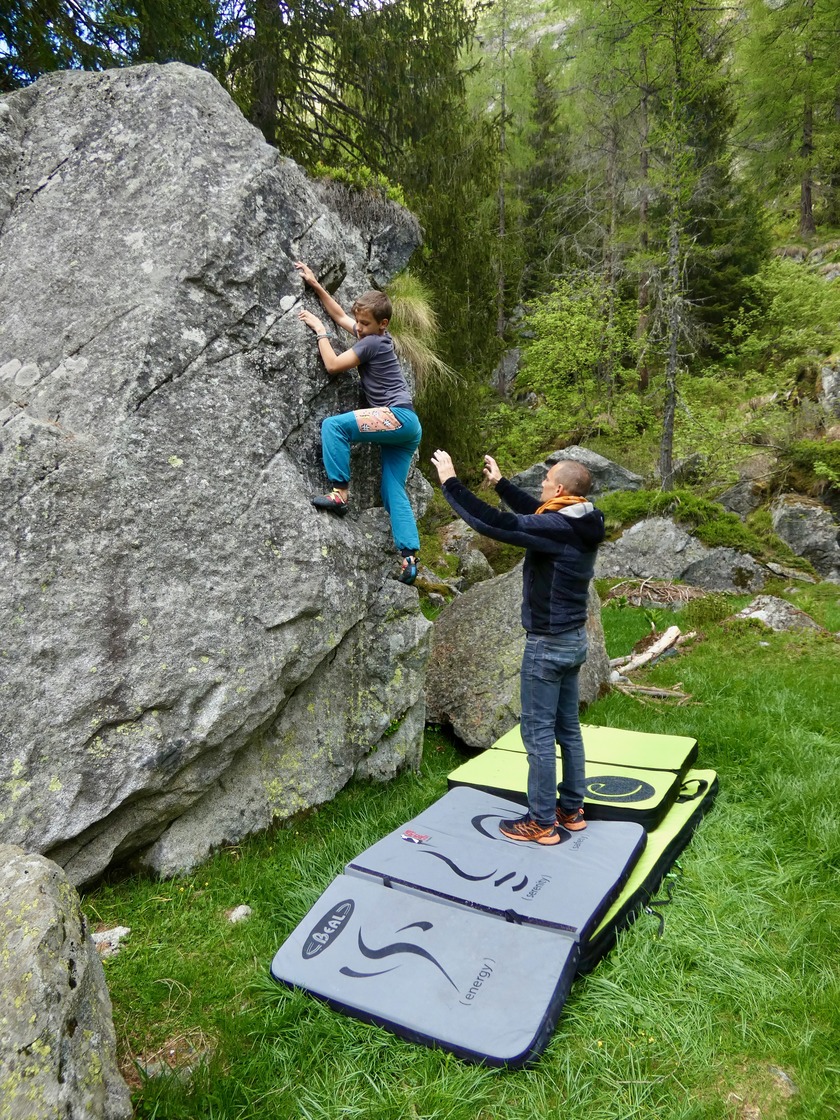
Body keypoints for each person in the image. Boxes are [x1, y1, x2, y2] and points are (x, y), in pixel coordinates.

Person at [430, 449, 605, 846]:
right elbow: (541, 516)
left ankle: (542, 822)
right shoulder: (584, 517)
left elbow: (496, 524)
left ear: (559, 488)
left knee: (538, 735)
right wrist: (502, 484)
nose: (541, 487)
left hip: (548, 645)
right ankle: (571, 810)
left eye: (545, 483)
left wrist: (450, 483)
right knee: (567, 729)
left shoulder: (558, 527)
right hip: (575, 641)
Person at [295, 261, 422, 585]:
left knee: (333, 427)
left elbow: (334, 364)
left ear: (383, 324)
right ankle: (409, 558)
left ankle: (339, 493)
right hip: (407, 427)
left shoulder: (371, 342)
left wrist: (320, 331)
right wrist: (316, 285)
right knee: (392, 487)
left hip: (397, 417)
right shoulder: (375, 335)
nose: (359, 328)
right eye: (360, 323)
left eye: (365, 323)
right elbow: (341, 316)